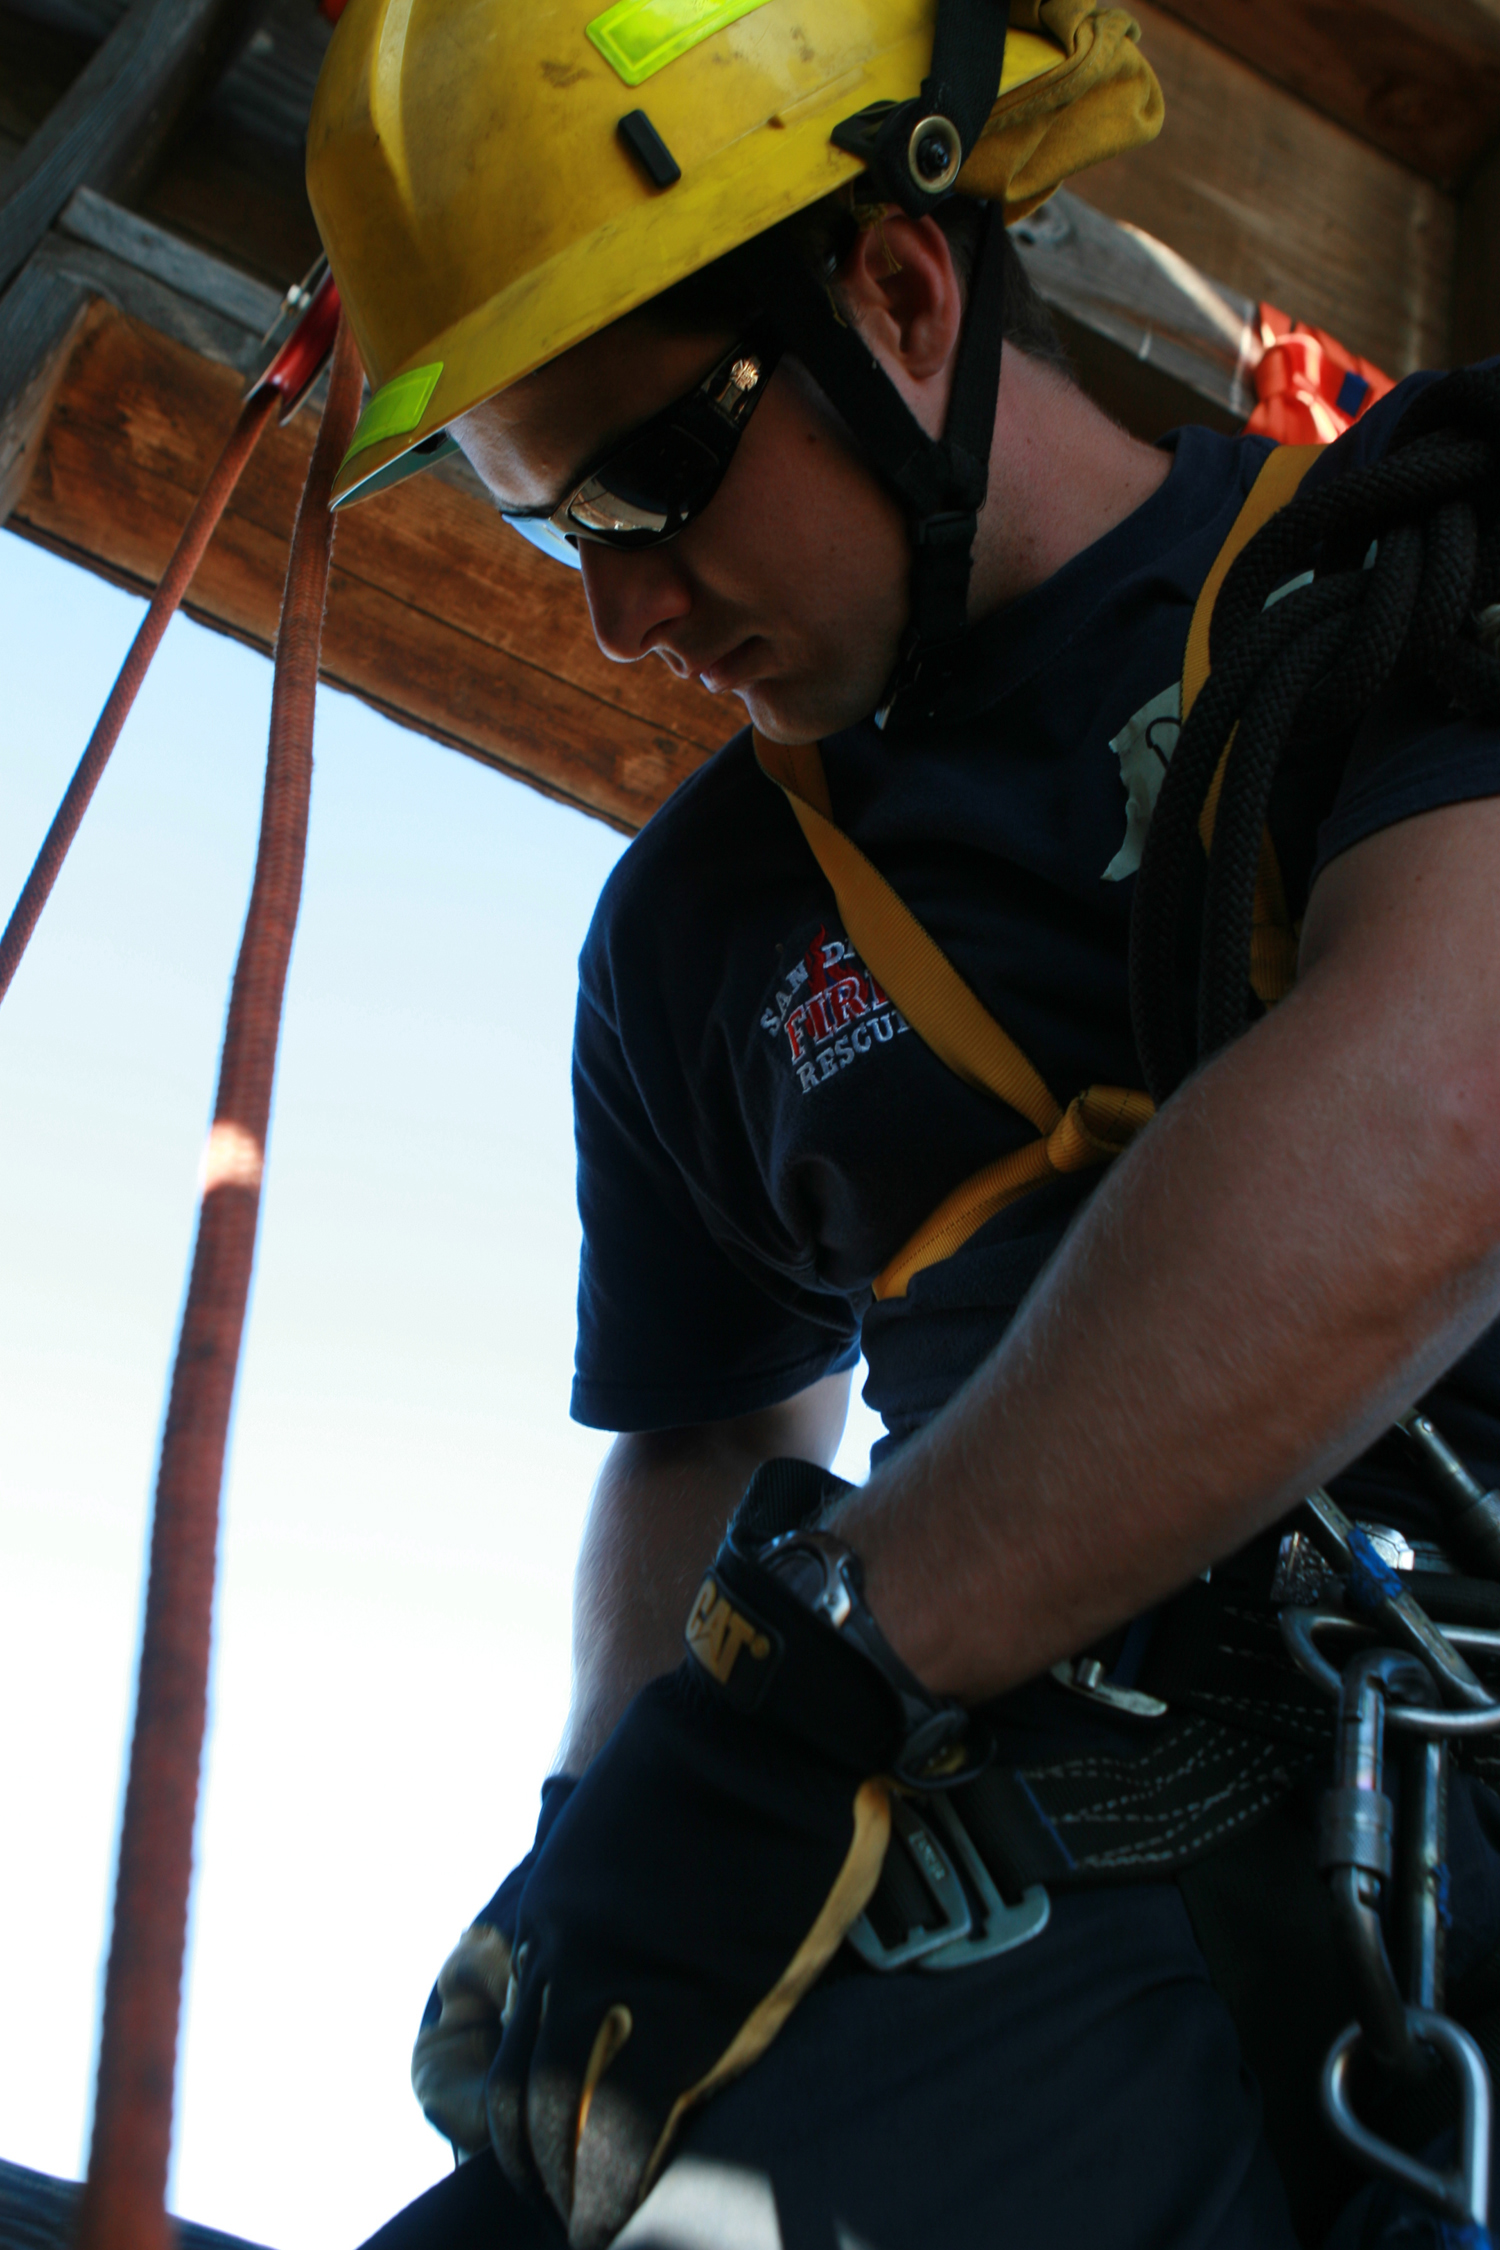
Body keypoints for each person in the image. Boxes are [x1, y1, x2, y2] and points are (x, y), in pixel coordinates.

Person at [306, 2, 1500, 2244]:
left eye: (644, 480)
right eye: (557, 524)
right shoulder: (691, 947)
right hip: (1018, 1847)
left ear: (900, 295)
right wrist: (628, 1851)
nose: (620, 605)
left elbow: (1446, 1110)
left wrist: (814, 1691)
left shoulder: (1409, 572)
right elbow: (703, 1443)